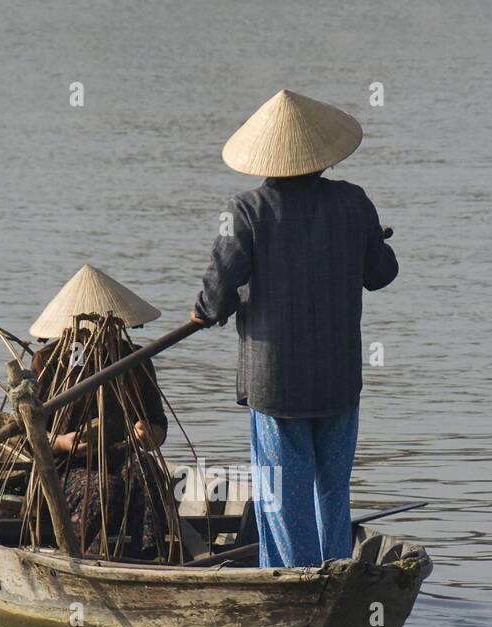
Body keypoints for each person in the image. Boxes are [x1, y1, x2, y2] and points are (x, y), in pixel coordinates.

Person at [190, 90, 398, 568]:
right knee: (332, 487)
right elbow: (381, 274)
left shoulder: (248, 210)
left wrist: (204, 310)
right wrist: (372, 240)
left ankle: (296, 582)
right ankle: (337, 575)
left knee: (283, 496)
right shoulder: (353, 202)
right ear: (320, 156)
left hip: (277, 384)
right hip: (338, 378)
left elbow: (218, 290)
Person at [28, 265, 171, 558]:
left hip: (119, 458)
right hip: (64, 468)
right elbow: (28, 435)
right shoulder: (48, 362)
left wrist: (148, 434)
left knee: (146, 473)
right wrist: (63, 442)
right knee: (103, 488)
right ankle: (90, 560)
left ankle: (146, 558)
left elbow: (157, 424)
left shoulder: (133, 359)